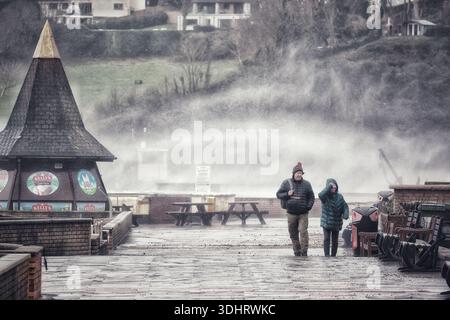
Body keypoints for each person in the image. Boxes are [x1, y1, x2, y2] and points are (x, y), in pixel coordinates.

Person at [276, 162, 315, 256]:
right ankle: (297, 251)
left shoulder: (307, 184)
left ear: (302, 174)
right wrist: (287, 194)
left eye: (300, 173)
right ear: (293, 174)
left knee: (303, 231)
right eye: (297, 173)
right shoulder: (286, 183)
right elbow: (278, 194)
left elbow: (312, 197)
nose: (299, 174)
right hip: (291, 213)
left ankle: (304, 251)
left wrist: (308, 206)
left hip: (303, 213)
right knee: (293, 234)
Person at [319, 178, 349, 257]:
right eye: (331, 186)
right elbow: (320, 194)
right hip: (326, 222)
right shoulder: (325, 197)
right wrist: (329, 187)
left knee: (335, 241)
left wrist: (346, 214)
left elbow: (345, 206)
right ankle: (327, 255)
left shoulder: (340, 196)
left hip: (336, 222)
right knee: (326, 239)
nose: (333, 188)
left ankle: (333, 256)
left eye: (334, 186)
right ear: (328, 187)